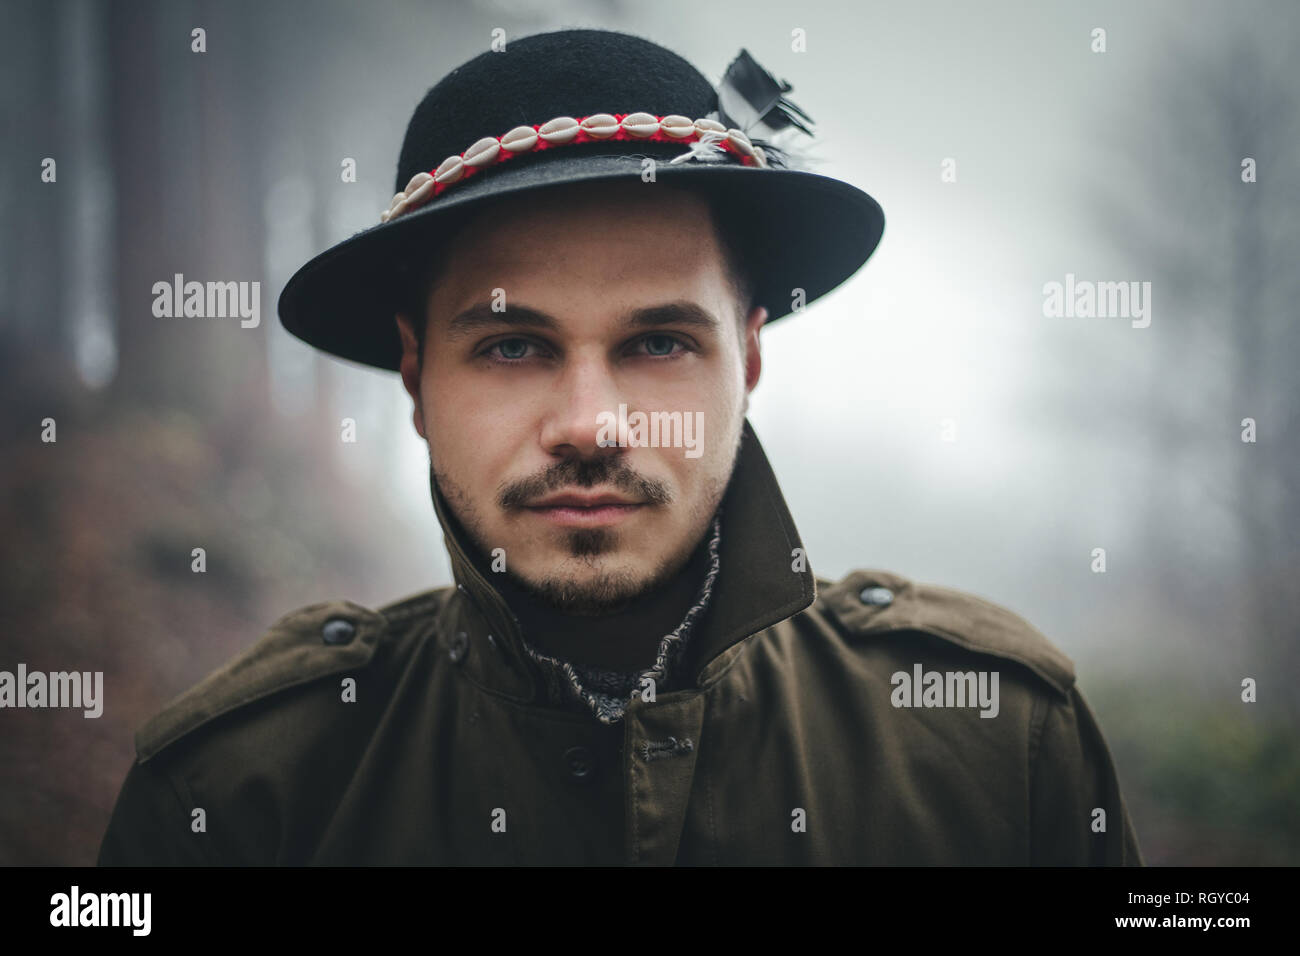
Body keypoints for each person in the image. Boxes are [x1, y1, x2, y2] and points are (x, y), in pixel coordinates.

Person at [98, 27, 1143, 865]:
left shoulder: (994, 743)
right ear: (415, 378)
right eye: (512, 344)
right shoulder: (236, 796)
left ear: (749, 360)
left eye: (656, 341)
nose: (592, 423)